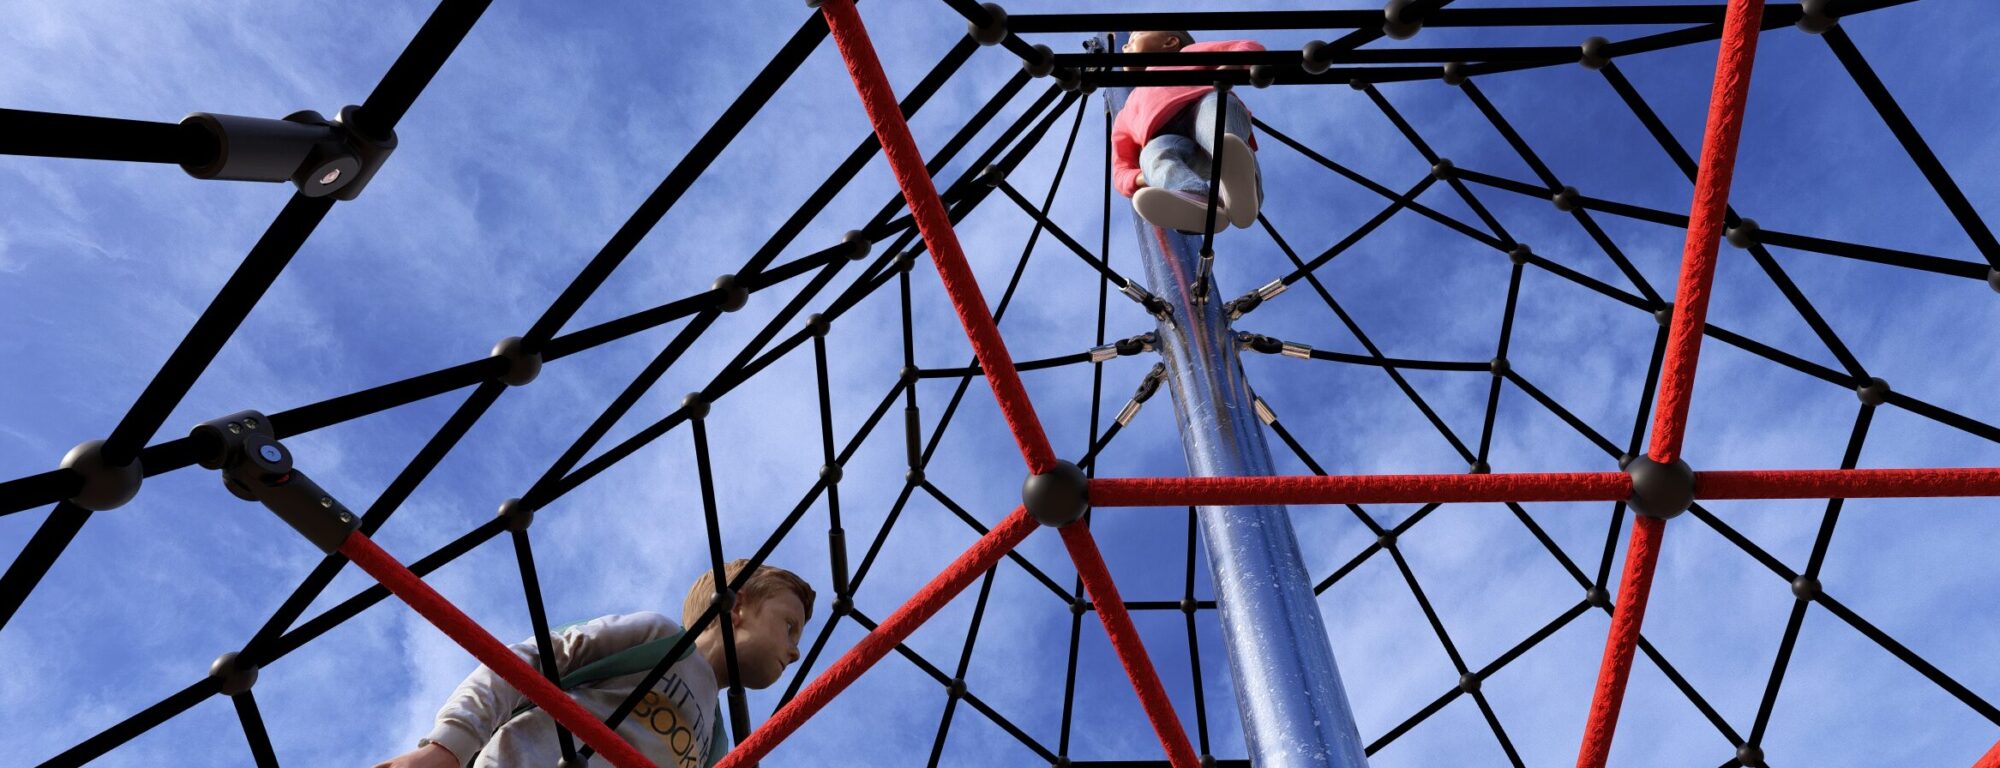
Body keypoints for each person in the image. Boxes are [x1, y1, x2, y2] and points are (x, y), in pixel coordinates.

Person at [373, 560, 814, 768]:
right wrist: (449, 746)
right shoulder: (659, 639)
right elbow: (529, 662)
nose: (794, 651)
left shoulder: (716, 738)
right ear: (736, 607)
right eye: (789, 627)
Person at [1113, 30, 1266, 235]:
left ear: (1170, 42)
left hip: (1203, 110)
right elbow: (1121, 168)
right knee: (1151, 153)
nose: (1124, 45)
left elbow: (1247, 46)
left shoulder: (1189, 55)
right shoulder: (1126, 112)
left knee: (1215, 109)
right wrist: (1147, 173)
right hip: (1179, 152)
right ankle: (1194, 198)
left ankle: (1241, 184)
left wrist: (1232, 66)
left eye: (1135, 37)